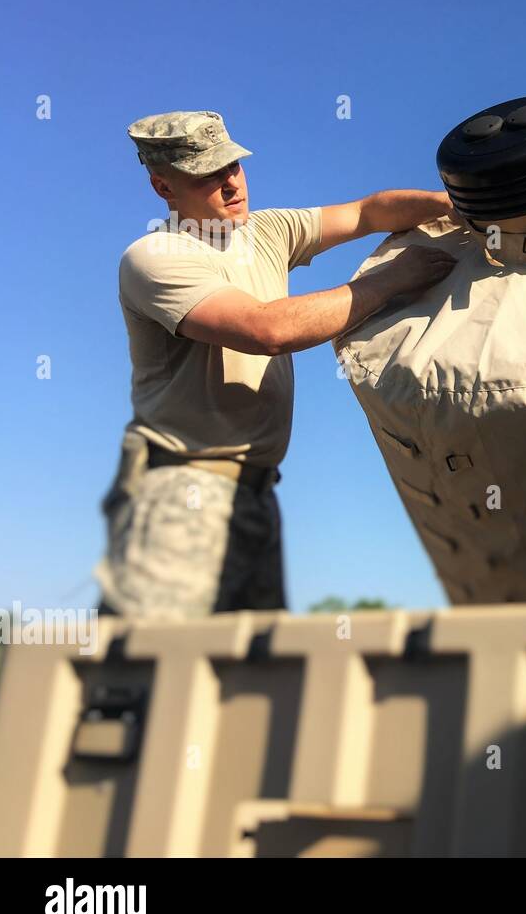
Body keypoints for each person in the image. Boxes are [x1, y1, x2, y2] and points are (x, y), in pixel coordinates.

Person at [96, 110, 457, 620]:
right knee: (152, 673)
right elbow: (266, 331)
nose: (230, 185)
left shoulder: (265, 232)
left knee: (250, 680)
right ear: (163, 187)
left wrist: (457, 206)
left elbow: (369, 213)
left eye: (233, 167)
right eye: (206, 176)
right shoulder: (156, 256)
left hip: (256, 492)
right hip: (181, 492)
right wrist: (389, 282)